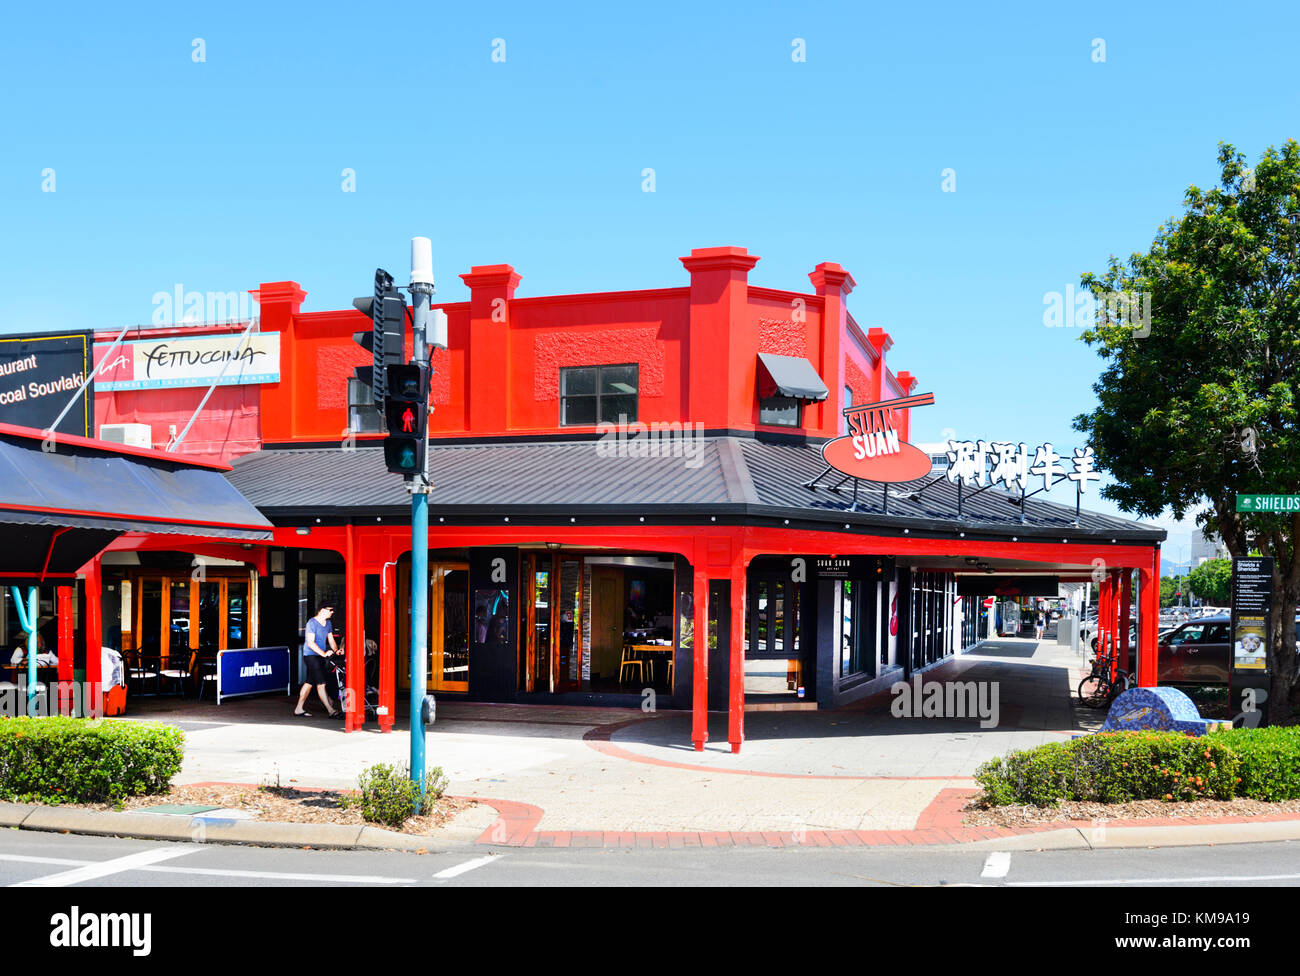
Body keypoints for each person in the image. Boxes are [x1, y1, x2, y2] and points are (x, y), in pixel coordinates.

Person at [295, 601, 340, 717]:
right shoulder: (312, 623)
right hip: (310, 656)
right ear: (323, 610)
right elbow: (310, 643)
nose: (332, 612)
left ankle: (298, 709)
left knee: (309, 683)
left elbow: (331, 640)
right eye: (330, 610)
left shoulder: (328, 623)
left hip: (320, 656)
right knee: (321, 683)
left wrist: (336, 650)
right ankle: (331, 710)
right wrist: (324, 653)